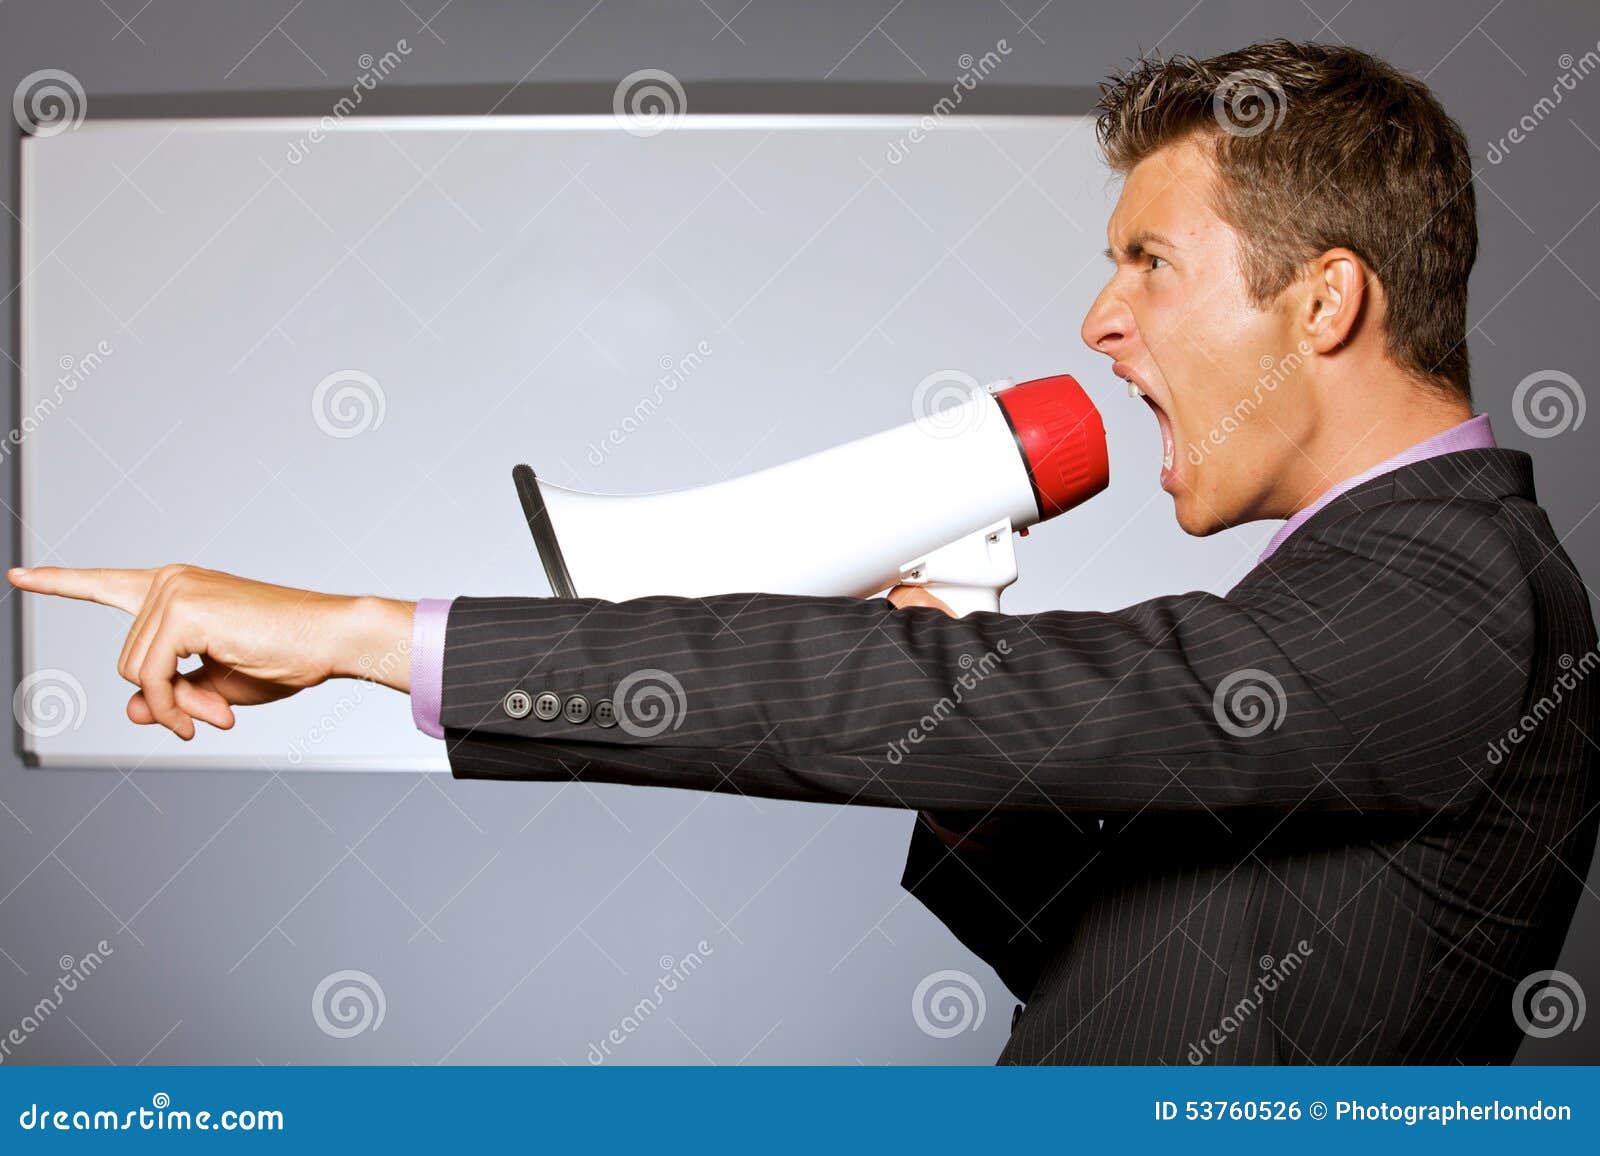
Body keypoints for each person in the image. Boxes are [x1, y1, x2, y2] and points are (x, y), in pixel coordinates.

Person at [11, 40, 1596, 1064]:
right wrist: (949, 689)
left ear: (1323, 302)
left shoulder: (1452, 586)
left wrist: (371, 632)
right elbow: (1119, 967)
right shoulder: (1370, 591)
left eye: (1149, 264)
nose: (1101, 320)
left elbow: (994, 704)